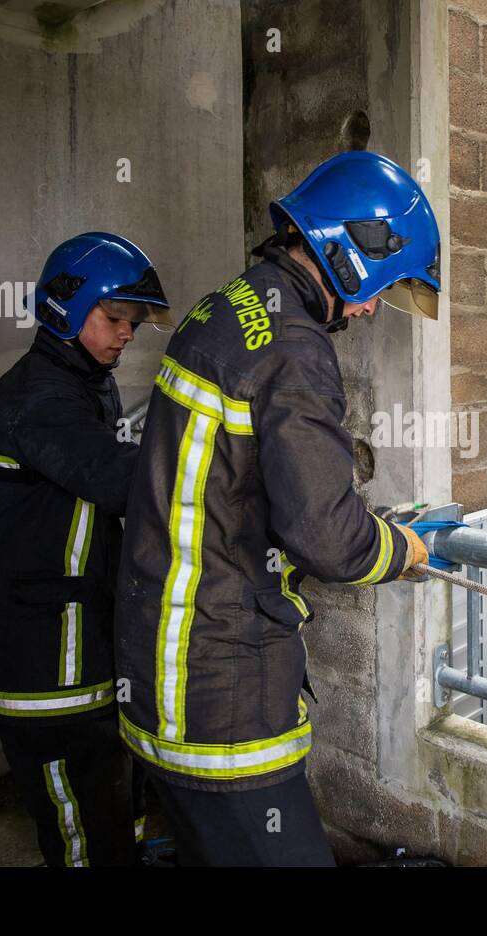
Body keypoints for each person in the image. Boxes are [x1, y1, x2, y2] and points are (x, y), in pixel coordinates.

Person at [115, 151, 437, 866]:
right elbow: (327, 538)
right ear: (353, 250)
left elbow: (242, 475)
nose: (370, 307)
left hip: (158, 648)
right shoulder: (296, 345)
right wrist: (405, 548)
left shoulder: (228, 304)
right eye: (378, 287)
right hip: (219, 680)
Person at [0, 232, 171, 866]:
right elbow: (119, 480)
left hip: (74, 637)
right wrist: (216, 455)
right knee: (76, 812)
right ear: (66, 309)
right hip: (36, 657)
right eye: (115, 318)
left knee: (112, 782)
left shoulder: (82, 379)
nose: (127, 334)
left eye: (133, 321)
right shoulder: (39, 399)